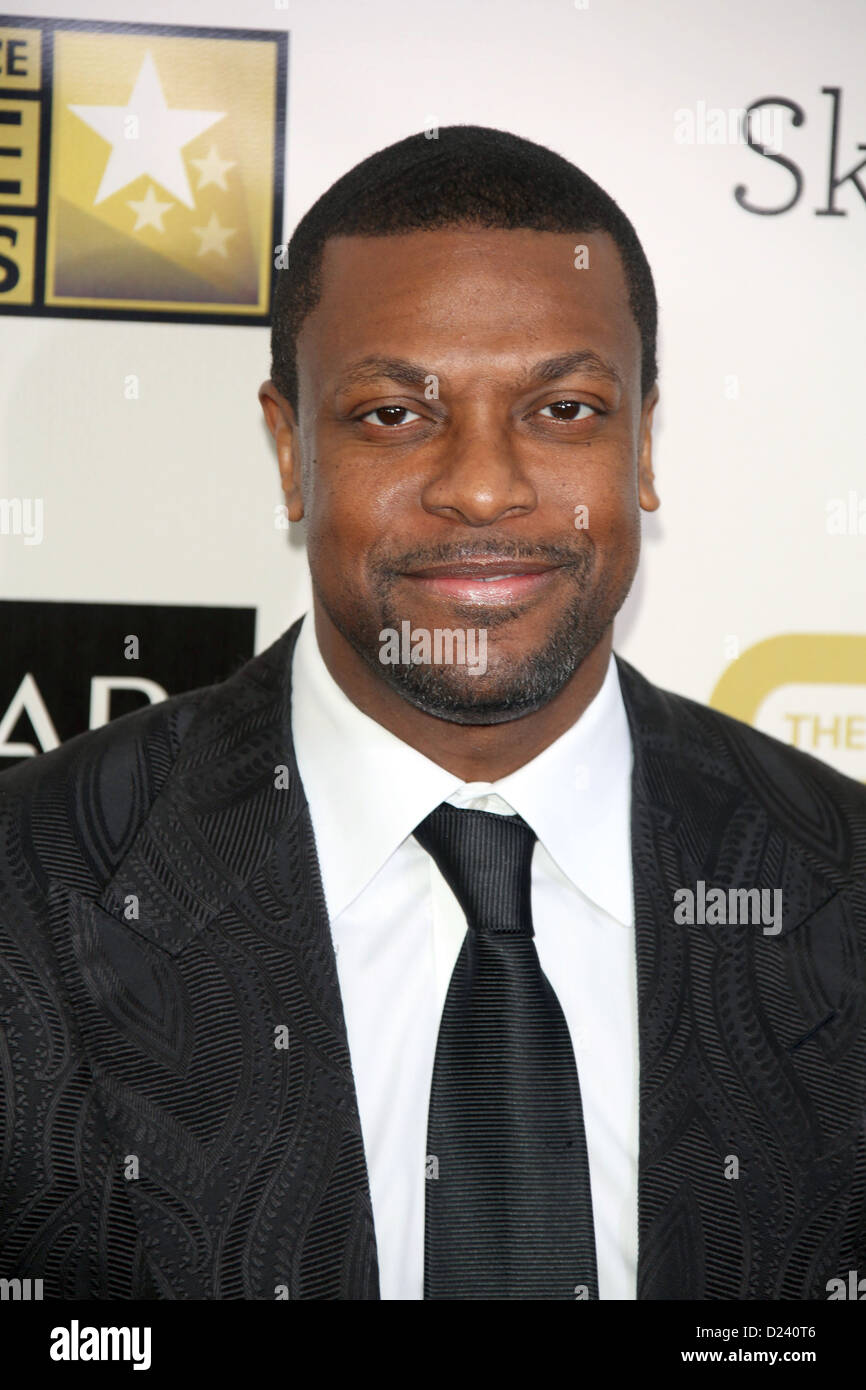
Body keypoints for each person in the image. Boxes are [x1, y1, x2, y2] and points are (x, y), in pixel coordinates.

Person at [1, 126, 864, 1302]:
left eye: (562, 409)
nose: (481, 484)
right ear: (289, 449)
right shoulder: (28, 882)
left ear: (644, 441)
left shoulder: (840, 880)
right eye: (392, 415)